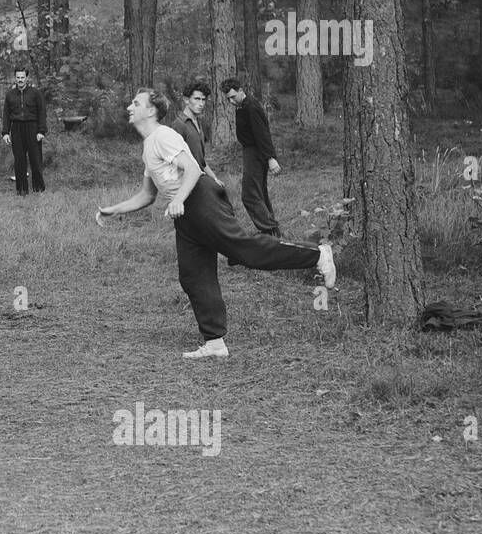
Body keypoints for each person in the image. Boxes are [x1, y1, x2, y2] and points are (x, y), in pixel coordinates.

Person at [95, 89, 335, 358]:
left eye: (135, 103)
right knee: (193, 275)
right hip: (186, 212)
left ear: (150, 111)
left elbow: (193, 168)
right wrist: (113, 210)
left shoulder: (163, 136)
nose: (130, 106)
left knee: (245, 250)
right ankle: (215, 342)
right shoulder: (150, 144)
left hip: (199, 199)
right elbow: (147, 195)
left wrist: (178, 201)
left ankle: (317, 254)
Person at [220, 78, 281, 236]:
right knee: (259, 192)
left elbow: (262, 134)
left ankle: (268, 228)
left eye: (233, 97)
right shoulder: (242, 106)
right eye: (228, 99)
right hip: (250, 151)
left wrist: (270, 158)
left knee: (249, 195)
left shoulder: (251, 107)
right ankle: (273, 232)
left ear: (241, 90)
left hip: (256, 153)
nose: (231, 101)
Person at [2, 65, 47, 195]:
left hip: (33, 129)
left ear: (27, 78)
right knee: (19, 161)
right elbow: (6, 114)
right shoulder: (10, 95)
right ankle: (22, 190)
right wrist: (5, 132)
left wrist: (41, 131)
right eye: (18, 77)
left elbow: (42, 112)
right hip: (16, 129)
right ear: (14, 78)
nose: (20, 80)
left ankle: (38, 188)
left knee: (35, 160)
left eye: (22, 77)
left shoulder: (35, 93)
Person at [172, 82, 224, 188]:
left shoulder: (198, 123)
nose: (201, 104)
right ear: (186, 100)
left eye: (203, 99)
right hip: (185, 182)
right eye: (197, 99)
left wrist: (214, 178)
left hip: (200, 177)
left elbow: (201, 160)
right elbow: (172, 159)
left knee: (220, 191)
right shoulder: (179, 124)